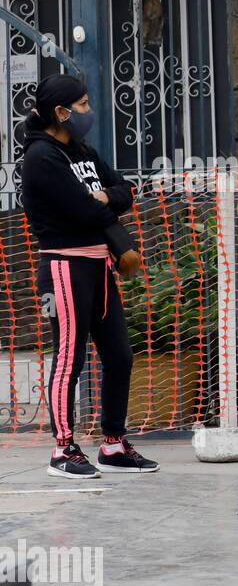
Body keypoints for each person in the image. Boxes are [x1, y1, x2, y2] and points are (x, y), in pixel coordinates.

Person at [18, 74, 154, 479]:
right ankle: (63, 449)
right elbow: (85, 210)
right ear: (60, 113)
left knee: (119, 356)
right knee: (69, 359)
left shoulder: (80, 151)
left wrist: (107, 197)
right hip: (65, 267)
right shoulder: (41, 158)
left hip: (99, 266)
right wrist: (107, 204)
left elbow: (123, 190)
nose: (87, 111)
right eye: (82, 104)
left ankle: (113, 444)